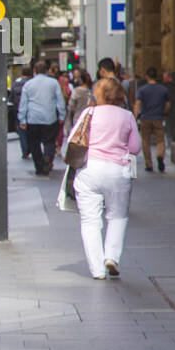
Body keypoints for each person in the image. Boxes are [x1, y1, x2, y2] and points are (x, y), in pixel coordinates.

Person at [74, 77, 140, 279]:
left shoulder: (89, 113)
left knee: (90, 221)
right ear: (120, 95)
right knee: (117, 216)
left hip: (89, 170)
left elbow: (73, 139)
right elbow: (135, 147)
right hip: (117, 171)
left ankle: (97, 270)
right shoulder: (127, 116)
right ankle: (111, 256)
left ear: (98, 94)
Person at [17, 58, 65, 176]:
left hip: (33, 118)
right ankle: (48, 157)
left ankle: (39, 166)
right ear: (47, 71)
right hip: (50, 117)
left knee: (34, 143)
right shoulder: (53, 83)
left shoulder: (28, 84)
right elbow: (60, 100)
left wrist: (22, 119)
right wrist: (62, 115)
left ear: (34, 70)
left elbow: (23, 103)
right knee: (49, 141)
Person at [134, 66, 171, 173]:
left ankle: (149, 164)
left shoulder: (142, 90)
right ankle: (160, 156)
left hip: (145, 118)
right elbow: (168, 105)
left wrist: (135, 117)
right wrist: (164, 113)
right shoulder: (163, 89)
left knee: (145, 141)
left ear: (147, 76)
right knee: (160, 140)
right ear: (156, 76)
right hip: (158, 118)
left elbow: (137, 104)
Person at [65, 69, 93, 140]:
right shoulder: (92, 91)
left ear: (81, 79)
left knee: (79, 140)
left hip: (78, 117)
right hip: (91, 118)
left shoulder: (76, 91)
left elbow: (71, 105)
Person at [12, 65, 33, 159]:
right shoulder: (31, 83)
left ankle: (25, 150)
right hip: (30, 110)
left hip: (17, 109)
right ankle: (30, 148)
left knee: (21, 131)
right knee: (31, 131)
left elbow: (11, 97)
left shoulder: (15, 83)